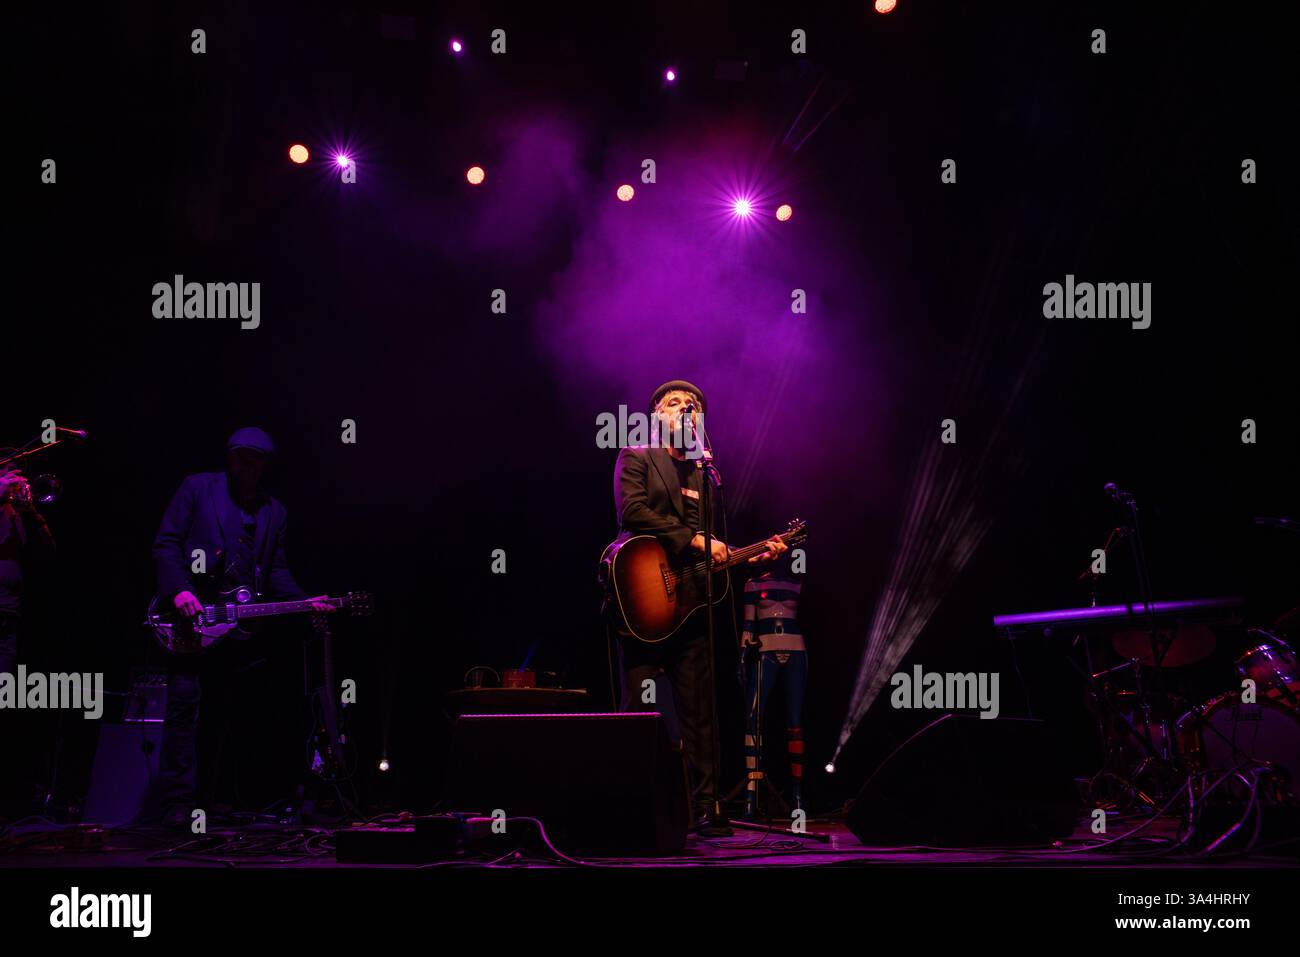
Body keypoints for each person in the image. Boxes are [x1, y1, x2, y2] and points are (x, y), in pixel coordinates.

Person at [610, 381, 786, 827]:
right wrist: (695, 539)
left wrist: (753, 559)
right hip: (644, 606)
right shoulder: (636, 456)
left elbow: (711, 558)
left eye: (693, 405)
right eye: (674, 402)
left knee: (702, 713)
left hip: (690, 610)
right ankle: (638, 807)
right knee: (643, 711)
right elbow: (632, 512)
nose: (685, 407)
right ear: (655, 414)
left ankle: (707, 808)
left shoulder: (705, 475)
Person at [149, 427, 332, 826]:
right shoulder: (197, 487)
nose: (245, 463)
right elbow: (166, 543)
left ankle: (215, 799)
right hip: (193, 622)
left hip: (239, 630)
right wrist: (179, 590)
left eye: (254, 457)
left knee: (227, 714)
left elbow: (276, 572)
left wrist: (305, 602)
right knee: (185, 710)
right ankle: (175, 806)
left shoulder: (274, 512)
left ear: (266, 464)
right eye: (239, 455)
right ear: (229, 457)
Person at [741, 556, 807, 816]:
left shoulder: (797, 583)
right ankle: (751, 794)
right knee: (753, 717)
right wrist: (742, 657)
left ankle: (798, 795)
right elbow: (748, 626)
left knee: (795, 721)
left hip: (796, 651)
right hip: (765, 650)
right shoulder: (753, 584)